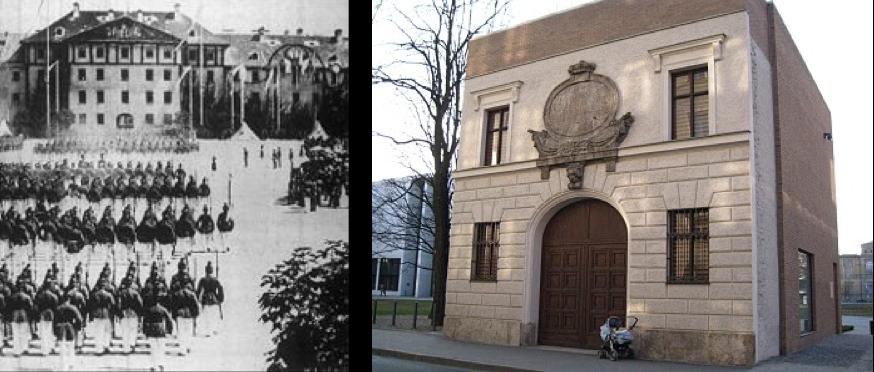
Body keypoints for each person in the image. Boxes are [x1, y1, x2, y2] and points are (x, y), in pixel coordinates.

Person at [142, 289, 173, 371]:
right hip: (160, 329)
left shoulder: (149, 310)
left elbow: (145, 321)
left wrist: (144, 332)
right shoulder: (163, 309)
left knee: (153, 349)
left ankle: (154, 365)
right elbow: (169, 320)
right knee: (161, 348)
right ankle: (161, 364)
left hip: (151, 329)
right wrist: (169, 330)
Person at [54, 294, 83, 371]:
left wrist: (55, 331)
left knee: (62, 348)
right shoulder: (73, 308)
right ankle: (71, 364)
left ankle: (63, 366)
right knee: (70, 347)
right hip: (69, 327)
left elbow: (55, 321)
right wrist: (77, 327)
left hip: (60, 328)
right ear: (69, 300)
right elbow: (79, 319)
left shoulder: (58, 308)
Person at [197, 261, 224, 337]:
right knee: (214, 316)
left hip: (205, 299)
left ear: (206, 271)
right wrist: (220, 299)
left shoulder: (203, 280)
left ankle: (207, 331)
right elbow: (220, 289)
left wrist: (199, 299)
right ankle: (214, 330)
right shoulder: (215, 280)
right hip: (214, 299)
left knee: (206, 316)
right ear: (212, 271)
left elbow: (198, 291)